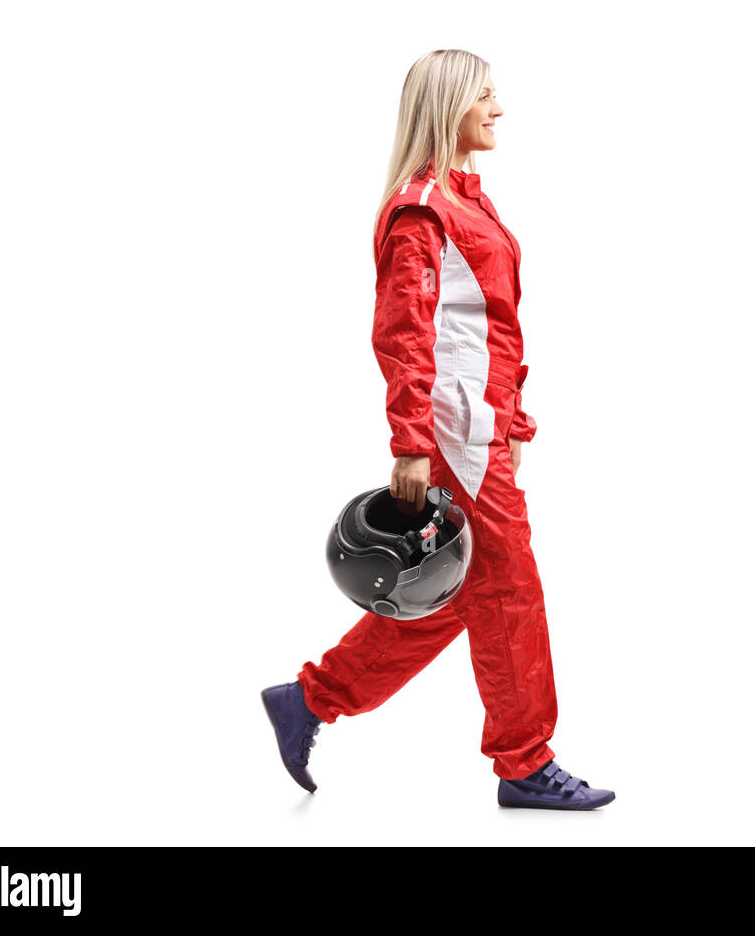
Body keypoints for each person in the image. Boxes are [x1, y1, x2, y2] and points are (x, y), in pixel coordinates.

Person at [261, 49, 615, 811]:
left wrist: (515, 417)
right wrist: (413, 443)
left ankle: (310, 699)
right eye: (485, 96)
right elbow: (405, 334)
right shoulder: (424, 209)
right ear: (448, 104)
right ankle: (525, 764)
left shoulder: (468, 201)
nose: (498, 108)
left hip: (482, 427)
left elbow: (494, 325)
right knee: (509, 592)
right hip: (455, 434)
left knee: (458, 597)